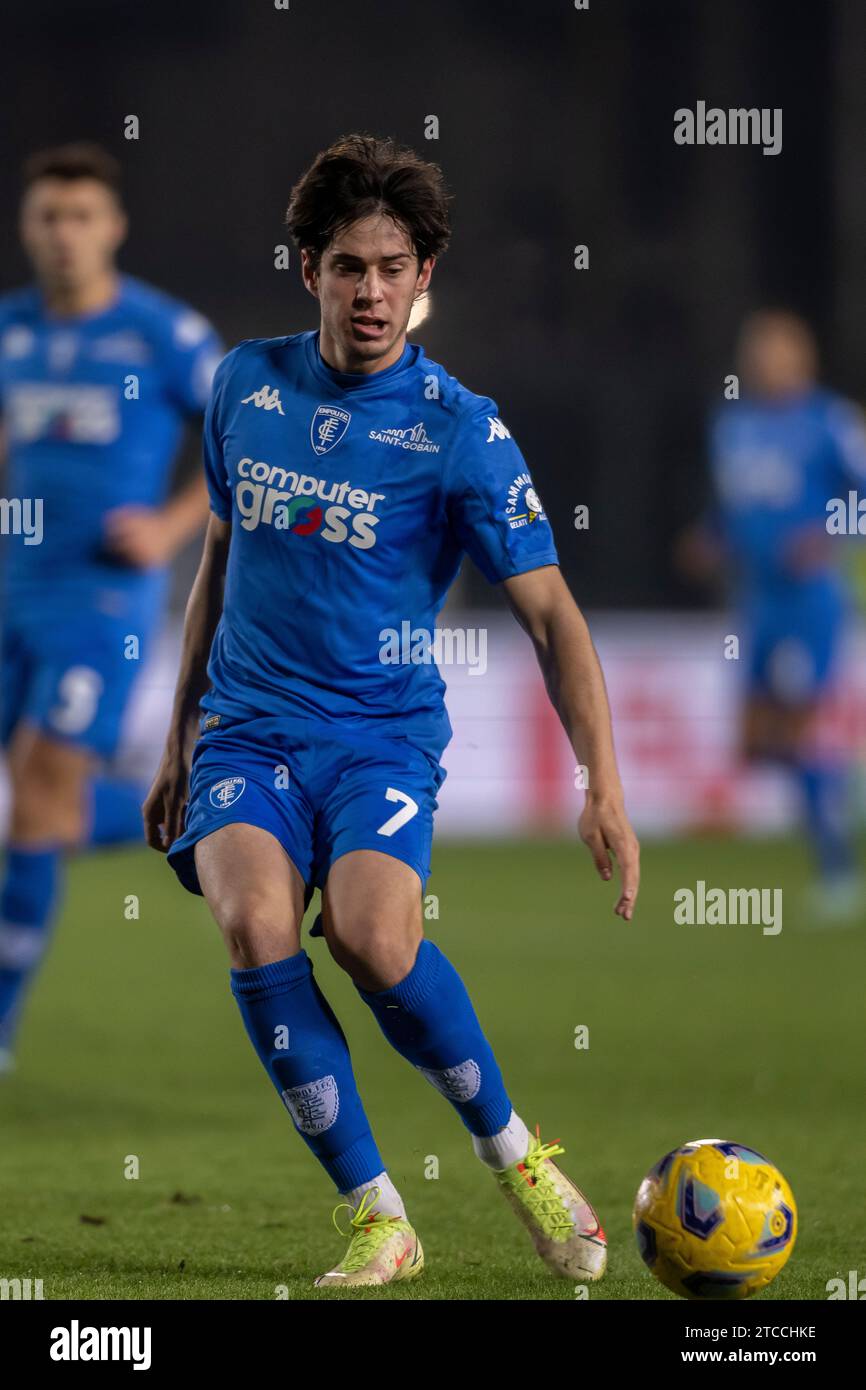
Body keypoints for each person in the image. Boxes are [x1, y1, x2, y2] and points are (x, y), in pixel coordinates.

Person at [144, 133, 640, 1288]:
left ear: (424, 279)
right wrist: (178, 736)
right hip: (248, 728)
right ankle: (378, 1212)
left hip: (379, 735)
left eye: (393, 267)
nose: (370, 291)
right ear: (306, 267)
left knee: (373, 939)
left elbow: (554, 619)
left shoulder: (459, 431)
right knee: (254, 927)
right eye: (347, 266)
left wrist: (600, 783)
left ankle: (510, 1152)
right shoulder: (242, 385)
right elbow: (215, 571)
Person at [0, 143, 222, 1069]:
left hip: (101, 600)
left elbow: (246, 449)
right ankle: (172, 808)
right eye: (49, 215)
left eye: (82, 216)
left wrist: (171, 528)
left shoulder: (162, 335)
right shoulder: (9, 328)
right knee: (34, 813)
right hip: (12, 587)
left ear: (114, 228)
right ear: (27, 225)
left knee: (42, 790)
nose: (64, 234)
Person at [680, 308, 866, 920]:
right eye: (755, 351)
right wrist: (713, 537)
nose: (763, 361)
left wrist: (828, 533)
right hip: (757, 601)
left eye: (775, 350)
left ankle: (837, 872)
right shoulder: (731, 424)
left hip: (810, 600)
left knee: (799, 725)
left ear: (801, 357)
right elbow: (738, 509)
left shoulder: (828, 421)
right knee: (756, 741)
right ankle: (846, 783)